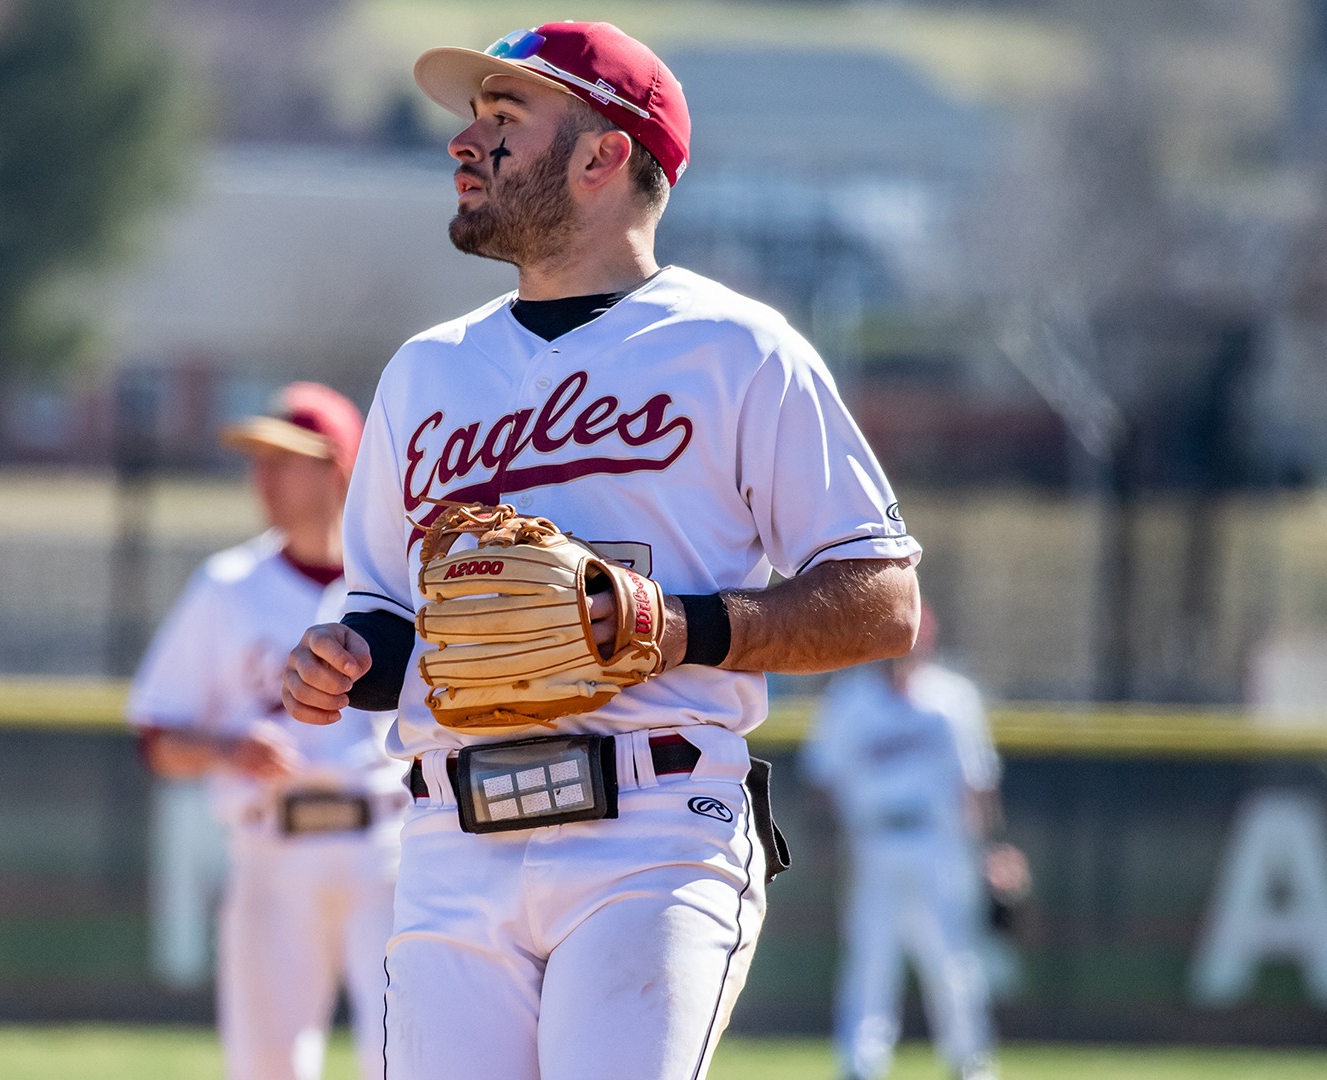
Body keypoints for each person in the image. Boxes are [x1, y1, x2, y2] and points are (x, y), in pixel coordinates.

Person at [280, 22, 923, 1080]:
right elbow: (390, 616)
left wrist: (684, 627)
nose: (467, 143)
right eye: (473, 118)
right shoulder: (426, 372)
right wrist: (342, 658)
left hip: (654, 830)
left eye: (505, 119)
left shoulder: (737, 349)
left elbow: (881, 598)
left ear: (602, 154)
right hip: (452, 833)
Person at [127, 383, 403, 1080]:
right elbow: (155, 735)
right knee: (265, 1070)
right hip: (274, 849)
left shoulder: (402, 584)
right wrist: (226, 748)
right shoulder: (229, 586)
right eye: (258, 460)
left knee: (410, 1062)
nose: (264, 477)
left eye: (285, 460)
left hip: (394, 852)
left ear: (341, 466)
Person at [804, 605, 1030, 1080]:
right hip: (874, 843)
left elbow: (979, 783)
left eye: (912, 640)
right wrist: (825, 846)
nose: (904, 651)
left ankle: (971, 1061)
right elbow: (822, 780)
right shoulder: (850, 699)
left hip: (939, 844)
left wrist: (995, 848)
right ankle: (861, 1064)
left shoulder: (953, 698)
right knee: (871, 958)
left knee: (953, 958)